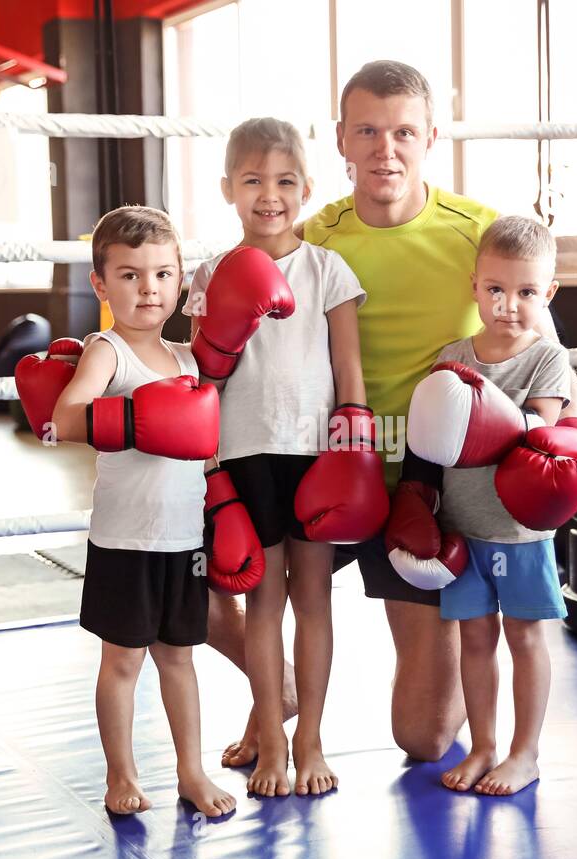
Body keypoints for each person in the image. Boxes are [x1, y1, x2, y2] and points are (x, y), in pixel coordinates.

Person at [210, 60, 565, 766]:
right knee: (189, 577)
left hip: (427, 492)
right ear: (340, 138)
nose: (385, 149)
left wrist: (553, 442)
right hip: (318, 468)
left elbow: (544, 352)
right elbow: (229, 336)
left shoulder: (481, 233)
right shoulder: (307, 241)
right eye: (367, 130)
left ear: (432, 136)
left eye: (403, 131)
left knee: (425, 737)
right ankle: (272, 688)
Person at [15, 205, 236, 817]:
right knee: (122, 661)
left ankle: (191, 772)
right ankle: (121, 774)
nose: (149, 288)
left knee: (179, 659)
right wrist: (140, 419)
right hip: (124, 541)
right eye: (132, 275)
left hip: (183, 538)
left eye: (164, 274)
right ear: (101, 284)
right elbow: (62, 420)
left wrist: (228, 509)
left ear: (181, 280)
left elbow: (206, 449)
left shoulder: (190, 360)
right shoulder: (107, 352)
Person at [186, 117, 379, 797]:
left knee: (316, 600)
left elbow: (348, 367)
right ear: (227, 189)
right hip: (244, 453)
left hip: (317, 454)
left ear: (307, 187)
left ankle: (312, 738)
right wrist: (208, 471)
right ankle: (272, 737)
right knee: (263, 603)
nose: (270, 194)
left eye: (285, 181)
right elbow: (200, 381)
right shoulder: (210, 272)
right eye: (253, 181)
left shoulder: (327, 268)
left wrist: (355, 444)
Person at [393, 216, 577, 794]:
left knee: (526, 637)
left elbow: (539, 440)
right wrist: (418, 504)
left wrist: (474, 411)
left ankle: (525, 752)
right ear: (475, 286)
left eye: (527, 292)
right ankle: (483, 745)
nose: (509, 306)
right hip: (462, 529)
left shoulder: (547, 359)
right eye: (497, 290)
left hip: (519, 533)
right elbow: (430, 445)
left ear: (549, 293)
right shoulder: (452, 356)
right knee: (475, 639)